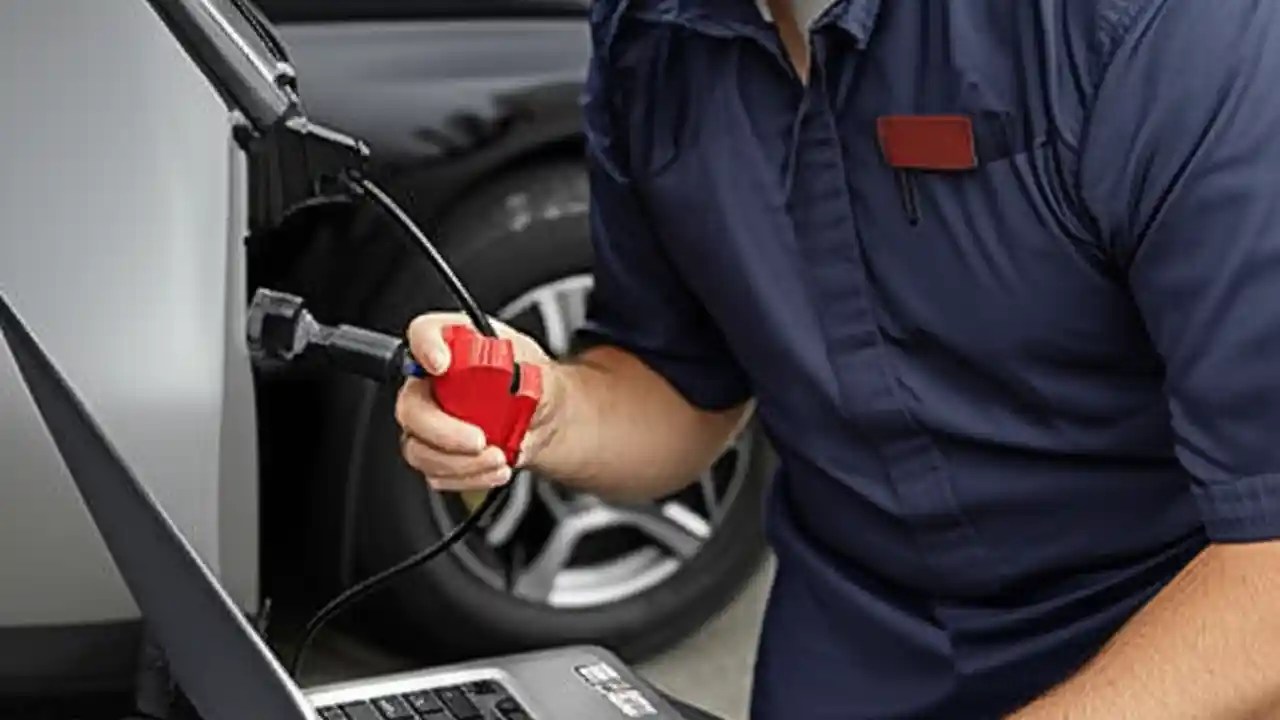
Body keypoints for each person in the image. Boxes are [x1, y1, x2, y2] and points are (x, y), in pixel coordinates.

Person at [394, 0, 1280, 717]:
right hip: (851, 664)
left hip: (1176, 663)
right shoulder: (649, 37)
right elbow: (678, 386)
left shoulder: (1157, 27)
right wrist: (554, 411)